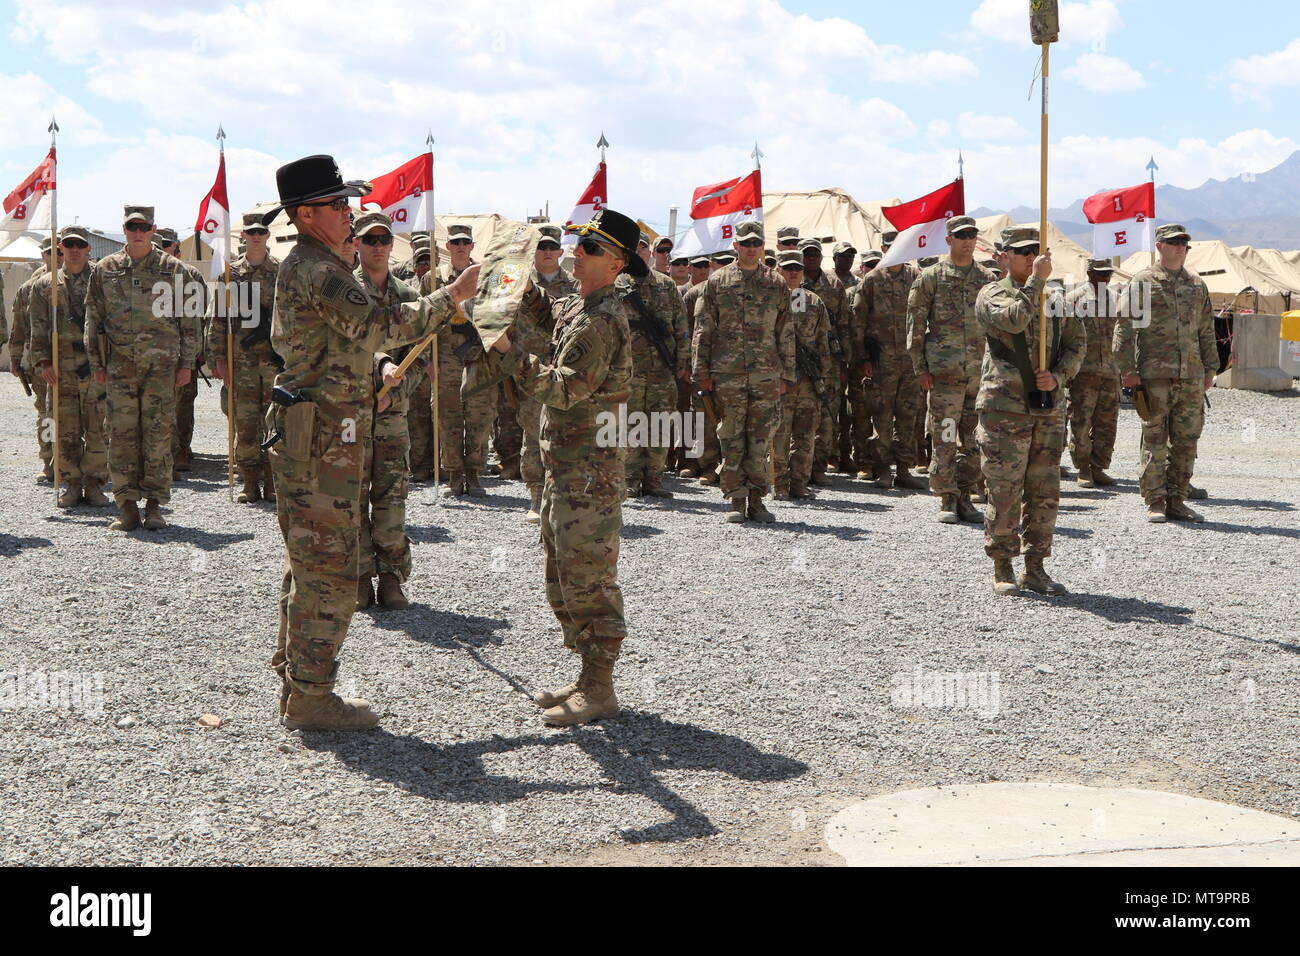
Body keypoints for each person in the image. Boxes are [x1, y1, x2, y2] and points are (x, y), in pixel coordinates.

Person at [262, 154, 479, 731]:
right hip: (322, 437)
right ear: (306, 214)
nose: (348, 212)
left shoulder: (318, 264)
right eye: (337, 205)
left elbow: (360, 340)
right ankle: (312, 697)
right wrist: (451, 296)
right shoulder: (319, 270)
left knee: (309, 562)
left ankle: (298, 678)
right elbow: (385, 324)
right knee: (330, 568)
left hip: (325, 429)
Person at [465, 208, 637, 727]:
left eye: (591, 250)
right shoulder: (581, 305)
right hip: (565, 467)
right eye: (578, 244)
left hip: (589, 472)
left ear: (617, 264)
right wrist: (507, 266)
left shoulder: (603, 320)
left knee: (588, 576)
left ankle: (600, 686)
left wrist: (507, 348)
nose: (576, 254)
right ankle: (588, 675)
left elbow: (564, 388)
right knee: (562, 574)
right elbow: (544, 310)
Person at [975, 227, 1083, 595]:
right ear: (1004, 257)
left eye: (1035, 252)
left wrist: (1058, 377)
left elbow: (1076, 344)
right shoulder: (991, 294)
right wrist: (1036, 281)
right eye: (1022, 252)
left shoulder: (1056, 298)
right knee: (1005, 488)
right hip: (1005, 408)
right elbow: (1014, 320)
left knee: (1044, 489)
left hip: (1047, 409)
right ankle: (1003, 564)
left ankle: (1035, 566)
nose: (1031, 258)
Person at [85, 205, 196, 531]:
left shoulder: (175, 270)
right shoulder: (106, 269)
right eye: (132, 226)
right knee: (120, 436)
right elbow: (94, 317)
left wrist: (187, 363)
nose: (138, 232)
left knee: (158, 437)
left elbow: (190, 321)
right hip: (120, 367)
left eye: (143, 227)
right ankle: (127, 505)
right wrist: (96, 362)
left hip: (161, 369)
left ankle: (155, 505)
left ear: (153, 229)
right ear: (124, 229)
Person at [693, 219, 795, 523]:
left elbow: (785, 331)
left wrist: (788, 374)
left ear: (762, 246)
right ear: (735, 246)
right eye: (745, 243)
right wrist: (702, 371)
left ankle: (757, 499)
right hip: (728, 373)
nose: (751, 248)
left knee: (761, 438)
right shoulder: (718, 282)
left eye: (756, 243)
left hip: (766, 374)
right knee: (732, 435)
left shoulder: (776, 282)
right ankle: (736, 499)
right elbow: (703, 328)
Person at [1114, 223, 1217, 523]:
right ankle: (1155, 501)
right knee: (1155, 439)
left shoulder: (1196, 285)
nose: (1180, 247)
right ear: (1159, 246)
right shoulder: (1142, 282)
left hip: (1191, 376)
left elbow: (1206, 329)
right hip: (1153, 376)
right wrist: (1127, 371)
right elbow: (1124, 327)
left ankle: (1177, 499)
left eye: (1184, 243)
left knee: (1187, 440)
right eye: (1173, 242)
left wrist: (1210, 368)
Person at [906, 216, 998, 524]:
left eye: (972, 235)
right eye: (961, 236)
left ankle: (965, 494)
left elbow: (997, 329)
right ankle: (946, 496)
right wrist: (920, 367)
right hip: (944, 375)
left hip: (978, 376)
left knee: (974, 440)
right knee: (945, 437)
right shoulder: (931, 277)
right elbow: (916, 326)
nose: (967, 241)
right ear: (948, 240)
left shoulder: (987, 279)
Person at [353, 212, 421, 610]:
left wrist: (392, 395)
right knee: (353, 497)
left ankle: (392, 577)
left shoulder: (409, 296)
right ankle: (361, 576)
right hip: (353, 413)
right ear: (357, 244)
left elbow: (421, 359)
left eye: (384, 239)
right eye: (369, 239)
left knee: (392, 497)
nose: (377, 246)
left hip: (392, 415)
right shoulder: (345, 292)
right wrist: (368, 390)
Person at [28, 226, 110, 508]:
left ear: (89, 249)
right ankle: (72, 483)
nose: (75, 249)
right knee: (64, 429)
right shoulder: (45, 285)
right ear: (60, 248)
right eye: (69, 244)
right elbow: (37, 327)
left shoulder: (101, 280)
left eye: (80, 245)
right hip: (60, 368)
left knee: (97, 428)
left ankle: (95, 483)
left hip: (94, 367)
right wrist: (43, 361)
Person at [211, 212, 282, 503]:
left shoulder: (281, 271)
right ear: (243, 236)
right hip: (240, 361)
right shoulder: (230, 274)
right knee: (246, 423)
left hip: (274, 362)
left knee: (275, 422)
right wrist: (218, 358)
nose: (256, 236)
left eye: (261, 232)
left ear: (268, 236)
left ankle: (274, 482)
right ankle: (250, 481)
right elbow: (217, 319)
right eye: (251, 232)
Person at [618, 232, 689, 498]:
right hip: (629, 370)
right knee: (631, 423)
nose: (640, 252)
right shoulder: (617, 285)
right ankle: (631, 477)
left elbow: (681, 327)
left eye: (644, 247)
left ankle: (654, 479)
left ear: (650, 253)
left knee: (660, 424)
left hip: (662, 368)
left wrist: (682, 362)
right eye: (634, 248)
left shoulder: (666, 285)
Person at [852, 243, 924, 490]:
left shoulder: (916, 277)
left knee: (907, 417)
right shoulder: (872, 279)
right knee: (881, 417)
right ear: (884, 248)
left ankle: (904, 470)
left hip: (910, 360)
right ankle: (882, 469)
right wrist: (863, 358)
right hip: (881, 362)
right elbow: (858, 320)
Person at [518, 224, 578, 521]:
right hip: (531, 367)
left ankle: (562, 496)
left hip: (564, 368)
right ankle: (535, 495)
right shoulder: (520, 283)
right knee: (532, 430)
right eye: (541, 247)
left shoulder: (575, 286)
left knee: (564, 431)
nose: (546, 252)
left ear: (560, 251)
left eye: (552, 247)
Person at [429, 223, 493, 496]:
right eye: (455, 242)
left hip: (478, 356)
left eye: (465, 242)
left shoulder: (486, 276)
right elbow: (425, 320)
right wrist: (426, 362)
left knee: (480, 416)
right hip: (445, 357)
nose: (460, 247)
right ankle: (454, 475)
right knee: (448, 417)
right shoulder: (433, 278)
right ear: (447, 246)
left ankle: (475, 474)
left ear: (472, 246)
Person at [772, 250, 832, 499]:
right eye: (788, 268)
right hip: (779, 378)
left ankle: (799, 483)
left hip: (808, 380)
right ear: (778, 270)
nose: (793, 272)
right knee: (779, 434)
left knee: (806, 434)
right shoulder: (770, 300)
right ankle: (779, 484)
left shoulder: (815, 302)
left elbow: (823, 341)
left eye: (797, 267)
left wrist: (822, 375)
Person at [1063, 259, 1121, 488]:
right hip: (1082, 372)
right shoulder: (1073, 299)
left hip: (1110, 371)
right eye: (1100, 274)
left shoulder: (1117, 299)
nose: (1105, 278)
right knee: (1081, 422)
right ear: (1089, 273)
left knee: (1107, 423)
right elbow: (1064, 335)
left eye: (1107, 273)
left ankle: (1098, 467)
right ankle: (1083, 468)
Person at [154, 227, 206, 476]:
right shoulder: (149, 273)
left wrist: (198, 349)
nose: (164, 248)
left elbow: (200, 316)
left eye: (168, 244)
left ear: (176, 246)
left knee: (184, 403)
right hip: (154, 352)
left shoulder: (191, 274)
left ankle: (181, 449)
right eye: (161, 243)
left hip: (182, 349)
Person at [9, 239, 60, 482]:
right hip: (41, 363)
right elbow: (18, 327)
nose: (57, 256)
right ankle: (49, 461)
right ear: (43, 255)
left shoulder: (82, 280)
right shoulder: (29, 288)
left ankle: (78, 465)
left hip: (75, 362)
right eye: (52, 252)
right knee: (47, 414)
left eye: (60, 251)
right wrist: (15, 358)